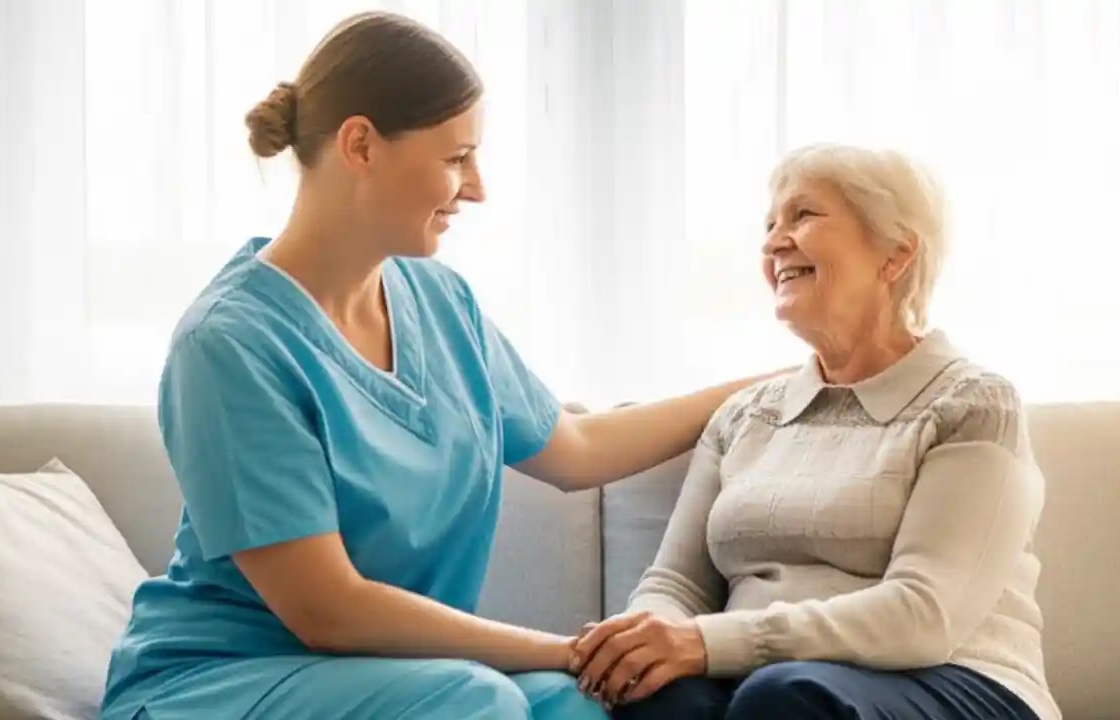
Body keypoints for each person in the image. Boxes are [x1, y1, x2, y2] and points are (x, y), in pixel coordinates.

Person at [100, 11, 781, 720]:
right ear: (360, 144)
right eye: (457, 158)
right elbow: (329, 611)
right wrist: (562, 647)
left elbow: (576, 450)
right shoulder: (229, 344)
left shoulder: (440, 300)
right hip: (218, 683)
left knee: (574, 709)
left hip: (402, 681)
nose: (477, 187)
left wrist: (767, 389)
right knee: (478, 699)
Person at [568, 144, 1061, 720]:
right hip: (762, 682)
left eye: (802, 216)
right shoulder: (745, 416)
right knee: (660, 699)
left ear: (895, 255)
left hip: (957, 678)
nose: (774, 241)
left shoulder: (972, 404)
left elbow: (925, 616)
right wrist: (647, 645)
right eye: (770, 224)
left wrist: (707, 643)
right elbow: (676, 585)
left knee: (785, 699)